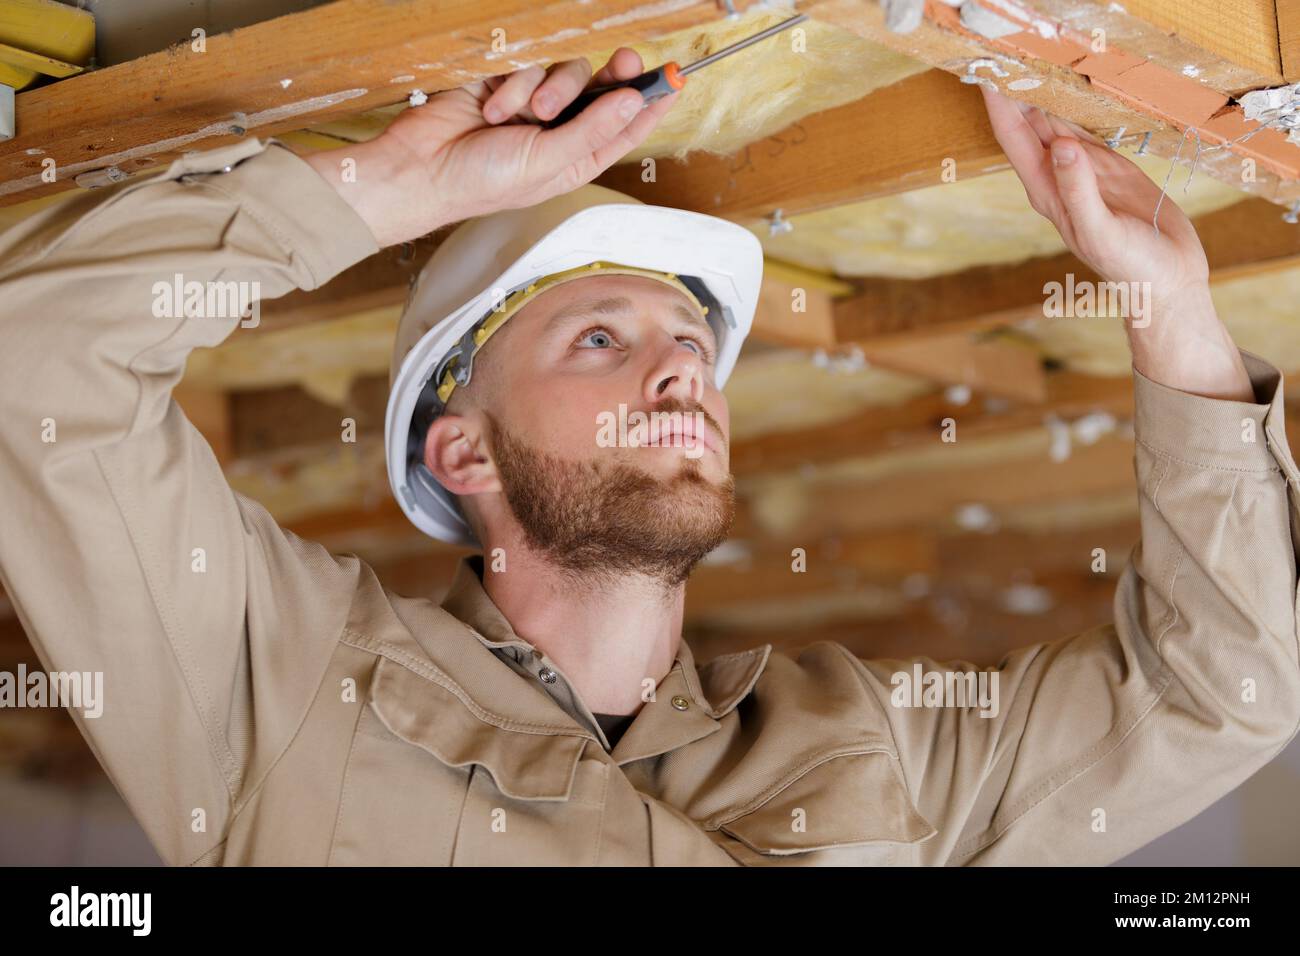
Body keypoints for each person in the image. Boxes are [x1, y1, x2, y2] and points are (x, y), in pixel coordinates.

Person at [0, 48, 1296, 866]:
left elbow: (1223, 696)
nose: (682, 368)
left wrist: (1173, 308)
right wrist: (379, 192)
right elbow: (35, 368)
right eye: (601, 337)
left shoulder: (872, 752)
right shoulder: (283, 692)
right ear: (465, 449)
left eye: (689, 337)